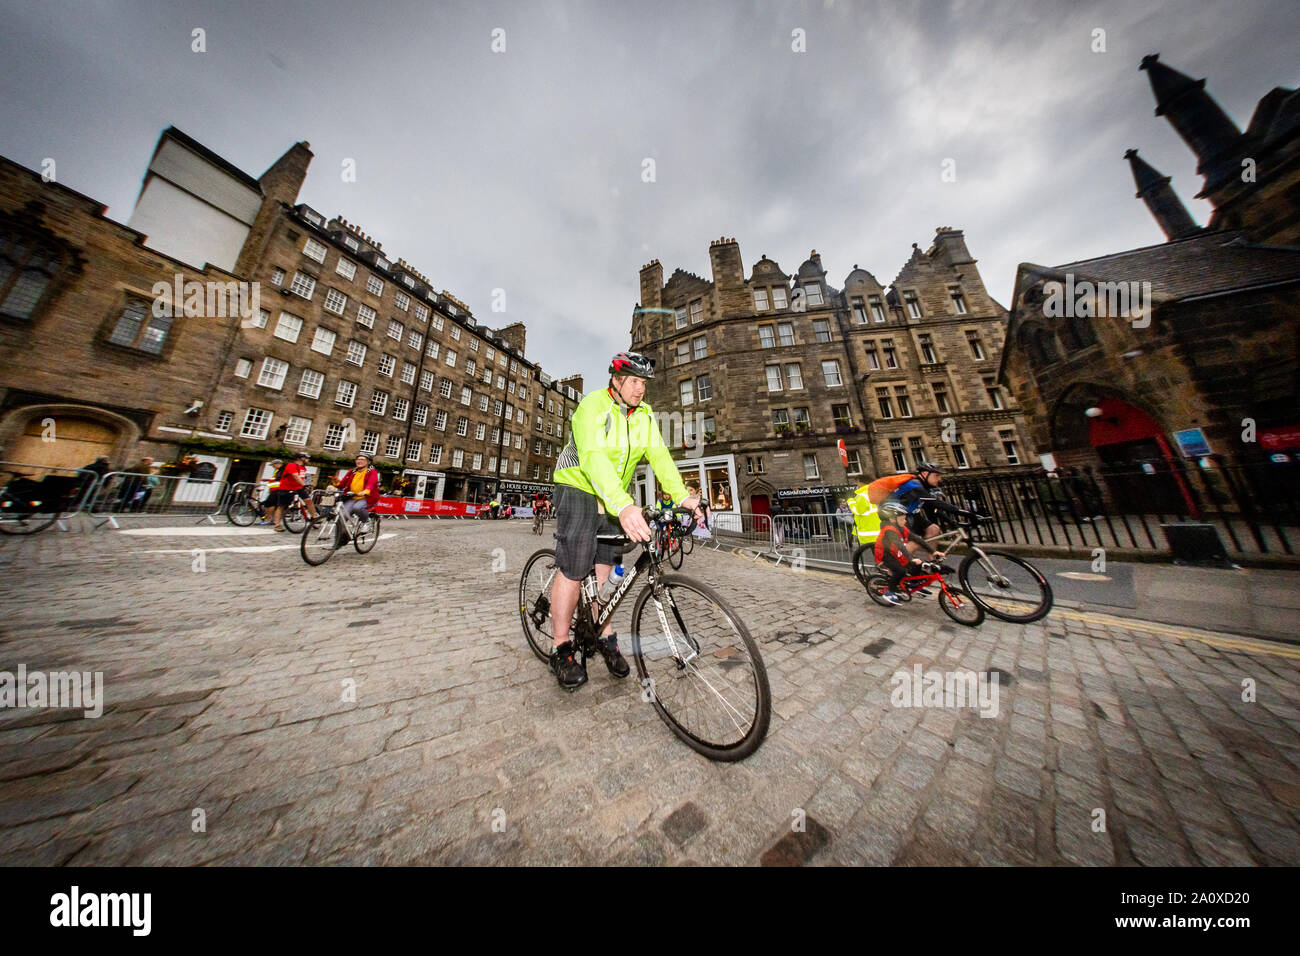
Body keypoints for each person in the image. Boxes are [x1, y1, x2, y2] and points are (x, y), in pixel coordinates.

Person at [546, 351, 702, 690]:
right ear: (616, 381)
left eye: (643, 383)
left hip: (613, 494)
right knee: (574, 565)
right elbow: (593, 457)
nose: (640, 389)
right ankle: (560, 645)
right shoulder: (593, 407)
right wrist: (624, 506)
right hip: (578, 485)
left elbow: (660, 456)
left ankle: (603, 630)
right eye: (633, 381)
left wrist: (681, 496)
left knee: (608, 563)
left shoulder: (643, 415)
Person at [873, 501, 942, 605]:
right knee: (900, 571)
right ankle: (889, 592)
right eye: (902, 519)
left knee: (917, 564)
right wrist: (910, 558)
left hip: (896, 552)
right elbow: (899, 545)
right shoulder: (889, 530)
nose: (905, 521)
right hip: (886, 554)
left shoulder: (901, 527)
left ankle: (915, 585)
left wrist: (933, 551)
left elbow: (917, 539)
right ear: (892, 519)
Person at [270, 452, 318, 531]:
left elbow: (302, 478)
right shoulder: (291, 465)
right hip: (286, 488)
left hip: (299, 488)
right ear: (301, 458)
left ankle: (314, 517)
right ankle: (277, 525)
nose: (308, 460)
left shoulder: (303, 468)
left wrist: (305, 485)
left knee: (309, 500)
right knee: (281, 506)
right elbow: (295, 476)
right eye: (307, 458)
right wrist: (304, 484)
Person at [336, 453, 380, 534]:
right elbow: (342, 484)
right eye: (358, 459)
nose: (359, 461)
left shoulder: (372, 472)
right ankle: (341, 537)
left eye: (362, 459)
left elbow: (372, 483)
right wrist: (336, 482)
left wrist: (366, 491)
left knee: (358, 507)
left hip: (366, 497)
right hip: (352, 497)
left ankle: (366, 522)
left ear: (368, 462)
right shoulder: (352, 471)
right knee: (343, 515)